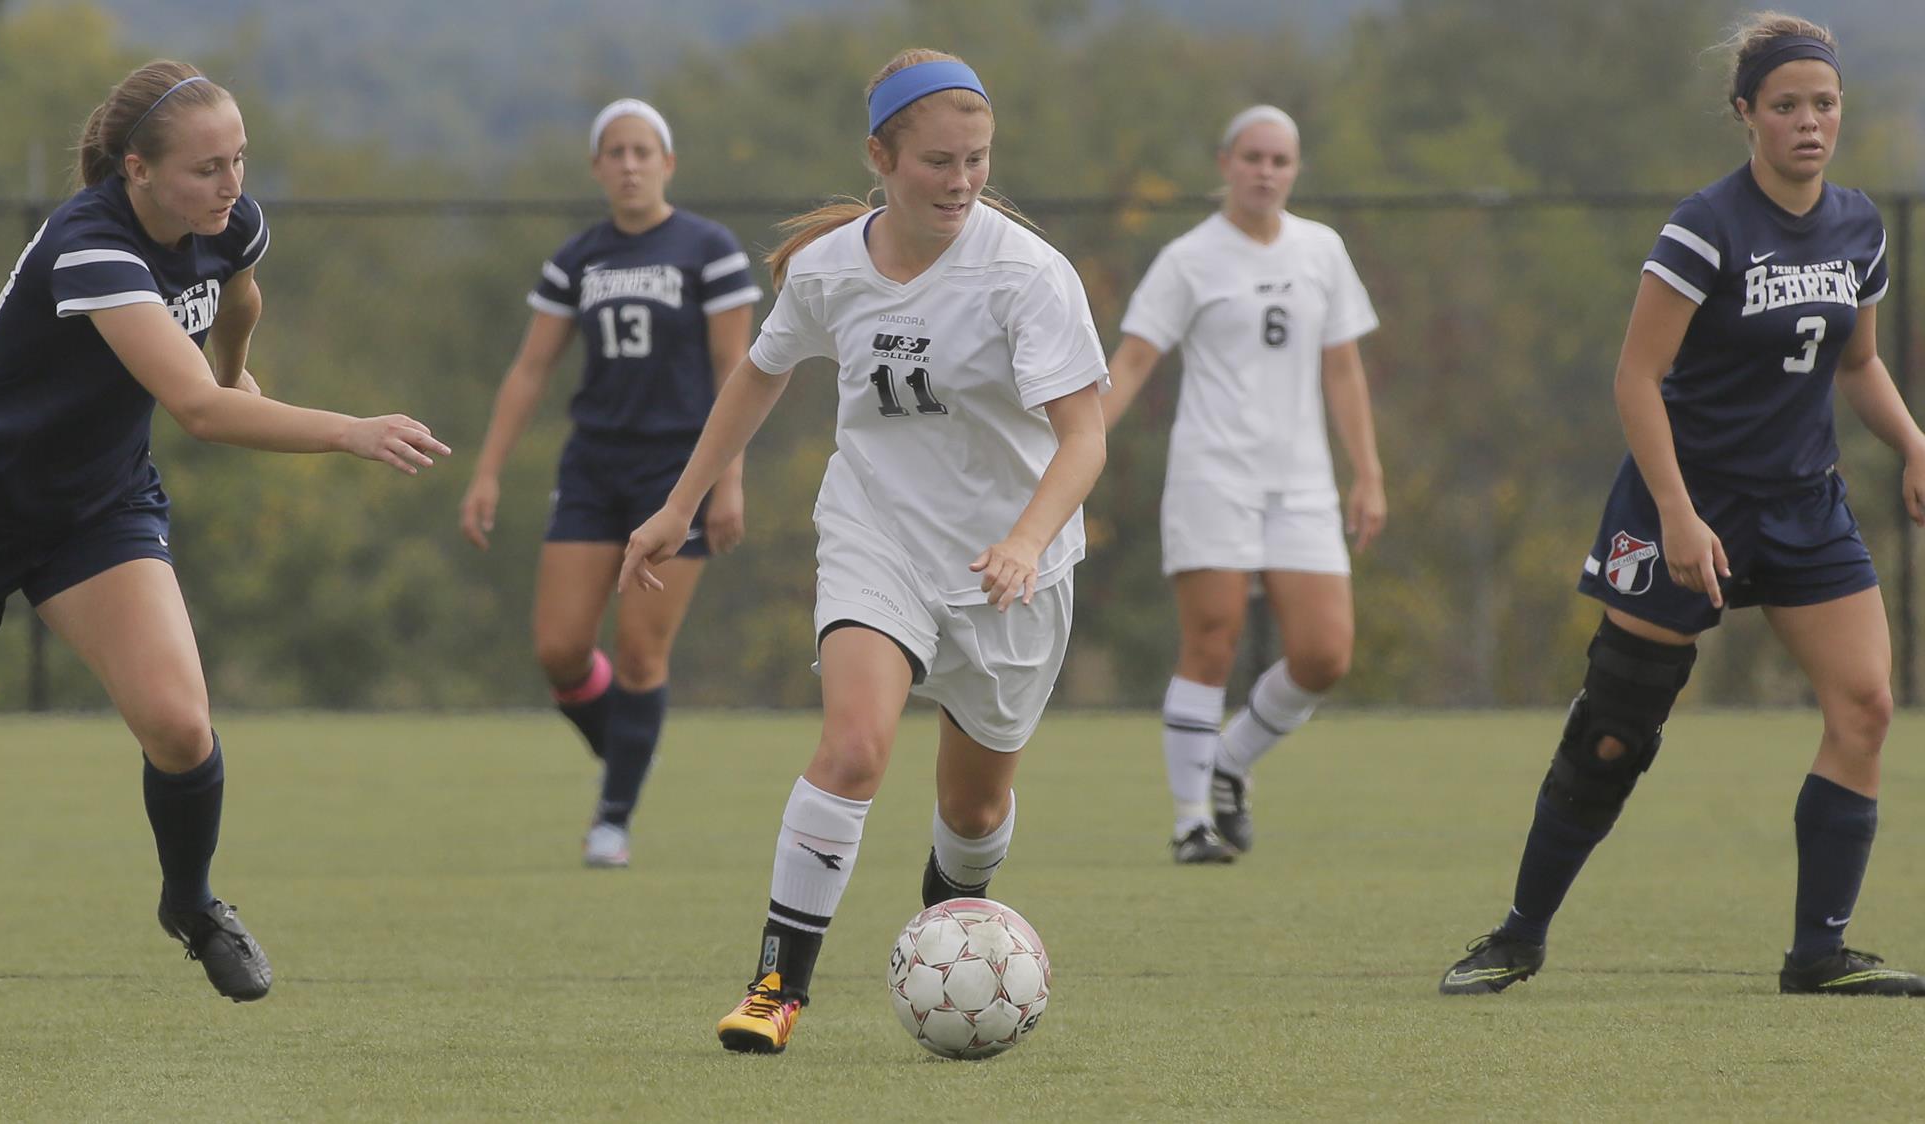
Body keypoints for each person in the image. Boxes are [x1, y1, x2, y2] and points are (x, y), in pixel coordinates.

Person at [0, 61, 449, 1002]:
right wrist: (350, 430)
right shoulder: (92, 248)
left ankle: (193, 902)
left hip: (97, 506)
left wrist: (240, 363)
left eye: (240, 158)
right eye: (206, 168)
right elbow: (200, 412)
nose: (232, 183)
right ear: (136, 169)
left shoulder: (229, 223)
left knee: (177, 723)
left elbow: (238, 298)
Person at [619, 48, 1108, 1053]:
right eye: (937, 160)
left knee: (972, 814)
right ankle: (774, 985)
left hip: (1011, 573)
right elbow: (758, 376)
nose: (962, 180)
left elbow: (1084, 435)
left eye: (975, 158)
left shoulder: (1024, 274)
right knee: (852, 746)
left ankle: (950, 919)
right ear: (878, 157)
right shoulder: (829, 266)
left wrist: (1022, 539)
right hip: (874, 532)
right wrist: (680, 502)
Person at [1439, 14, 1925, 997]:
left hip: (1802, 503)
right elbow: (1634, 377)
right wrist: (1671, 510)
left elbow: (1858, 361)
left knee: (1865, 703)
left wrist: (1914, 443)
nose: (1805, 122)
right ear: (1744, 113)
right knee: (1614, 728)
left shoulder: (1857, 226)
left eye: (1821, 104)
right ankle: (1516, 933)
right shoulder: (1703, 227)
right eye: (1783, 105)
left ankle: (1816, 952)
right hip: (1683, 500)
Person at [458, 99, 759, 869]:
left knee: (637, 654)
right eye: (615, 152)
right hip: (592, 468)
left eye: (642, 150)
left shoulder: (709, 249)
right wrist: (486, 470)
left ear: (668, 163)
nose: (629, 164)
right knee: (559, 649)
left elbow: (740, 372)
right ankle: (632, 748)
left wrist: (728, 483)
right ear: (597, 167)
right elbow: (530, 370)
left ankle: (612, 819)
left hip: (675, 475)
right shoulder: (577, 258)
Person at [1103, 105, 1385, 864]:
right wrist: (1081, 448)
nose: (1266, 171)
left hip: (1300, 483)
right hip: (1211, 474)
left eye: (1280, 160)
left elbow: (1343, 367)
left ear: (1295, 169)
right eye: (1252, 157)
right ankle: (1191, 818)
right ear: (1224, 163)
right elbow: (1132, 361)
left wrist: (1368, 473)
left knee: (1325, 655)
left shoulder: (1322, 250)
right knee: (1212, 640)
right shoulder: (1189, 258)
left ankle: (1230, 762)